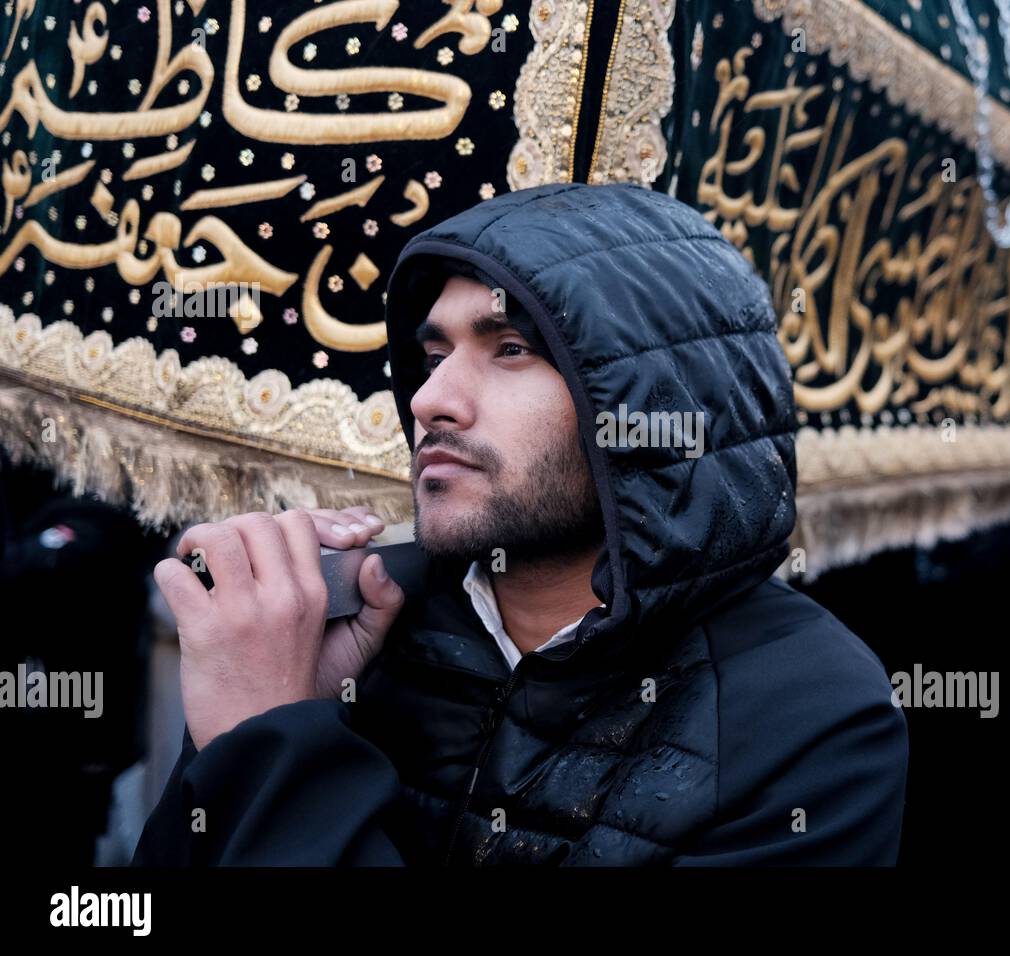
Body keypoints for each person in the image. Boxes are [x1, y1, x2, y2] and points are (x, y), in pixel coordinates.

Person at [131, 182, 908, 866]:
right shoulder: (353, 625)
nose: (430, 399)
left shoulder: (812, 715)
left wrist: (276, 744)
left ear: (653, 404)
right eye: (433, 353)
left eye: (509, 348)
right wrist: (285, 696)